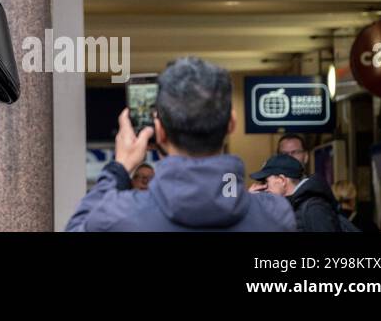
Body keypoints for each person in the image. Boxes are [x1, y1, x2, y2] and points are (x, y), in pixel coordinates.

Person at [66, 57, 295, 231]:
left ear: (160, 132)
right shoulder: (275, 215)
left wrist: (119, 167)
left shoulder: (118, 215)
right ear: (231, 124)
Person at [251, 154, 344, 231]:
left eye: (266, 182)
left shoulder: (314, 209)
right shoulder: (294, 204)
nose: (265, 188)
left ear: (282, 180)